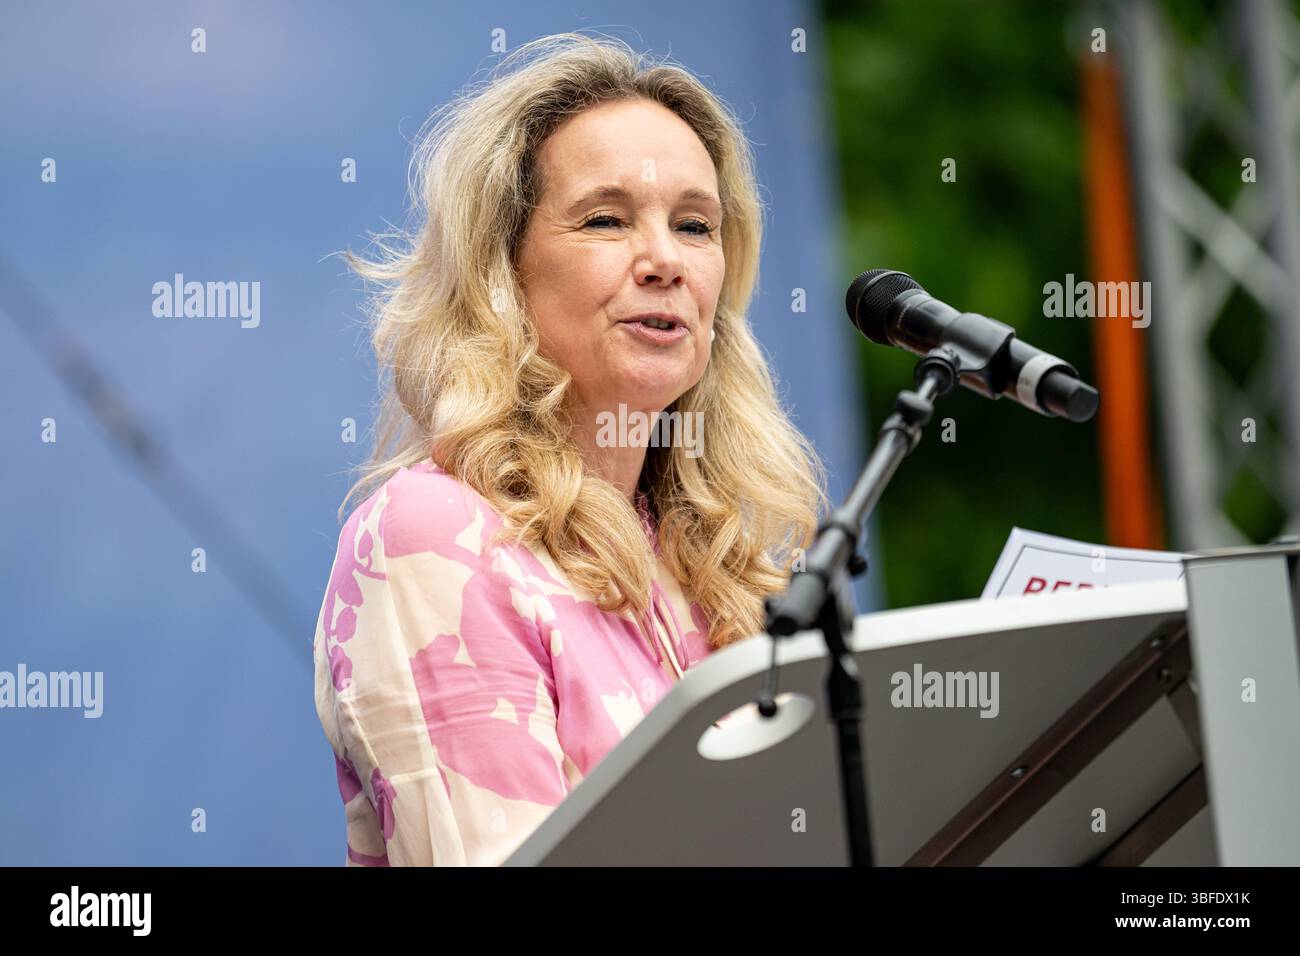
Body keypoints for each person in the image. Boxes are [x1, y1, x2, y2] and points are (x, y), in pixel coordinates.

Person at [312, 32, 826, 866]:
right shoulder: (431, 537)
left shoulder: (723, 565)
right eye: (605, 219)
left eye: (695, 225)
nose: (664, 260)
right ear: (501, 273)